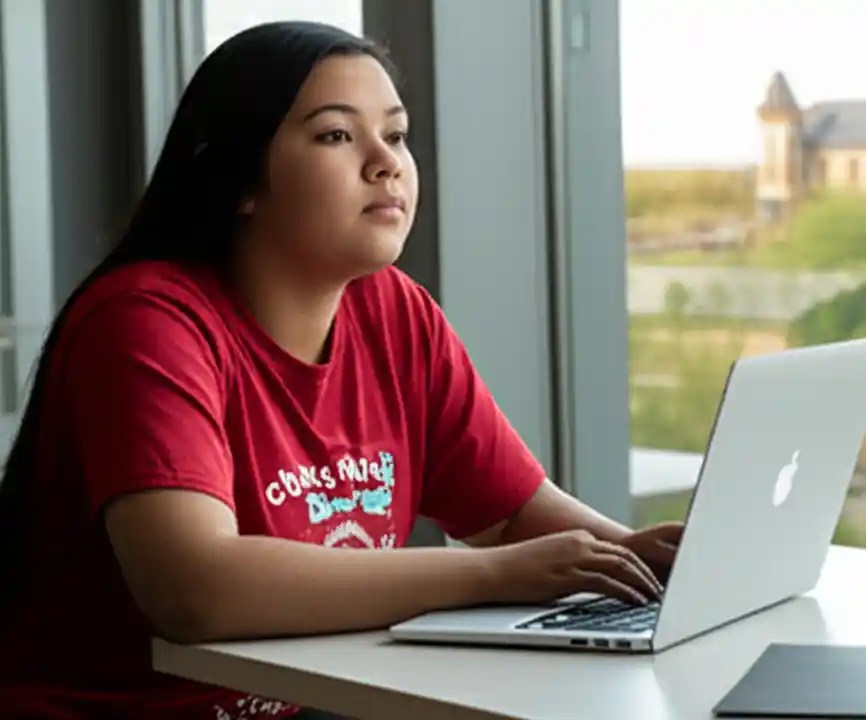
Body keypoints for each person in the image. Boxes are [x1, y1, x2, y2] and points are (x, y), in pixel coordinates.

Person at [0, 21, 681, 720]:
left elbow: (510, 516)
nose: (386, 162)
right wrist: (489, 575)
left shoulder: (395, 315)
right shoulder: (147, 324)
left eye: (397, 134)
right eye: (336, 135)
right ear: (240, 181)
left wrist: (639, 559)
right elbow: (195, 590)